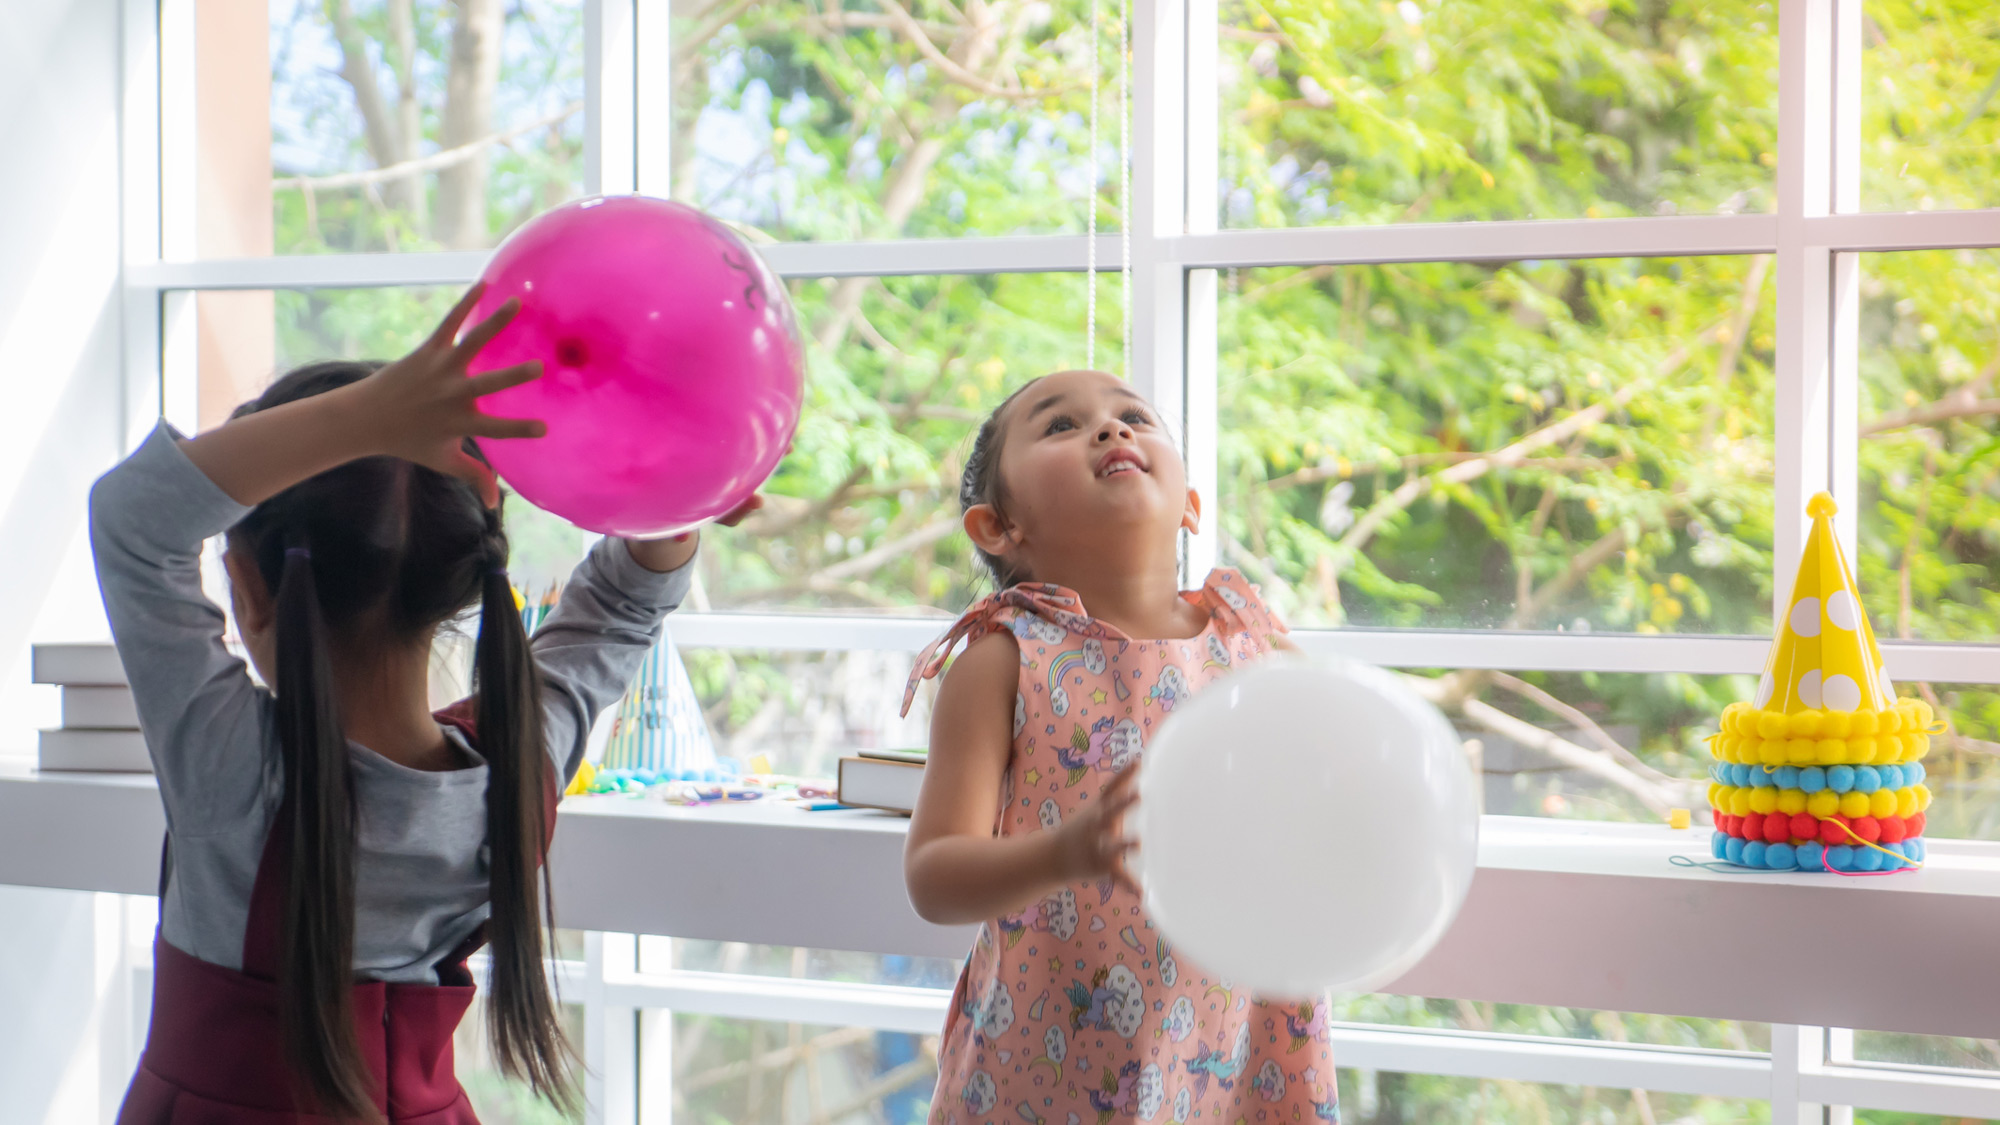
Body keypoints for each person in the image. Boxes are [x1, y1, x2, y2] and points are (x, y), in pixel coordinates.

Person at [93, 285, 757, 1123]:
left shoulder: (232, 776)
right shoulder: (516, 768)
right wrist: (675, 498)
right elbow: (623, 607)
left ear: (246, 586)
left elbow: (134, 521)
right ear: (457, 584)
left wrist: (371, 414)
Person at [901, 369, 1339, 1125]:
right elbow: (933, 877)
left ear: (1191, 506)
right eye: (1060, 425)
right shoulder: (1001, 661)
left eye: (1134, 415)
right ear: (998, 527)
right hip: (1045, 1072)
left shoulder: (1256, 651)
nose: (1112, 428)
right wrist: (1063, 852)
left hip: (1239, 1057)